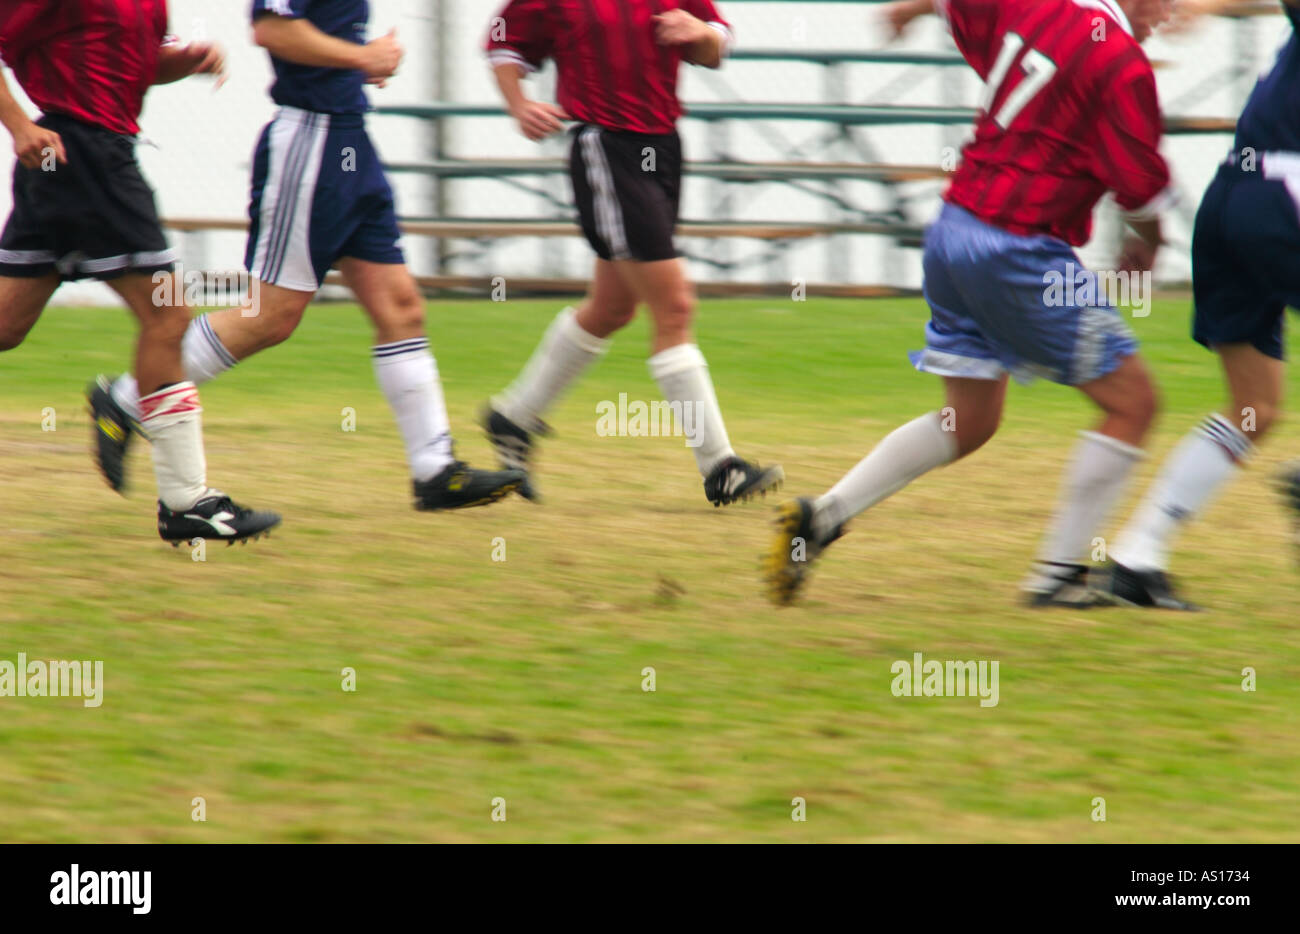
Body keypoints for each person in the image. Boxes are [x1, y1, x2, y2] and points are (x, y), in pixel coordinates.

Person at [766, 0, 1176, 606]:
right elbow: (1140, 188)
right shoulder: (1122, 61)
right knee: (1134, 404)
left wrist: (911, 9)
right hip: (1016, 247)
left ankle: (822, 517)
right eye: (1166, 0)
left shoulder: (1037, 7)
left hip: (953, 232)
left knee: (969, 421)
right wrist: (1150, 244)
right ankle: (1058, 578)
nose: (1168, 13)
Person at [91, 0, 526, 513]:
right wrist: (362, 57)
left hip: (351, 141)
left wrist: (360, 62)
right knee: (268, 317)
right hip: (310, 143)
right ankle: (125, 399)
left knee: (402, 307)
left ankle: (435, 469)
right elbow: (272, 30)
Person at [480, 0, 784, 507]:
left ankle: (513, 416)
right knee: (675, 308)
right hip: (607, 148)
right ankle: (720, 468)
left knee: (612, 308)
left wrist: (698, 33)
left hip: (662, 147)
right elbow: (502, 40)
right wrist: (518, 104)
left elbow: (716, 45)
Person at [0, 0, 280, 544]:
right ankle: (186, 501)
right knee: (168, 317)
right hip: (83, 154)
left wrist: (188, 61)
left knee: (7, 325)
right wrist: (18, 125)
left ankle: (185, 501)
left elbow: (137, 67)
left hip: (77, 159)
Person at [1103, 0, 1300, 608]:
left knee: (1254, 409)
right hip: (1281, 195)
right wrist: (1208, 4)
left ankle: (1137, 559)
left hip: (1231, 196)